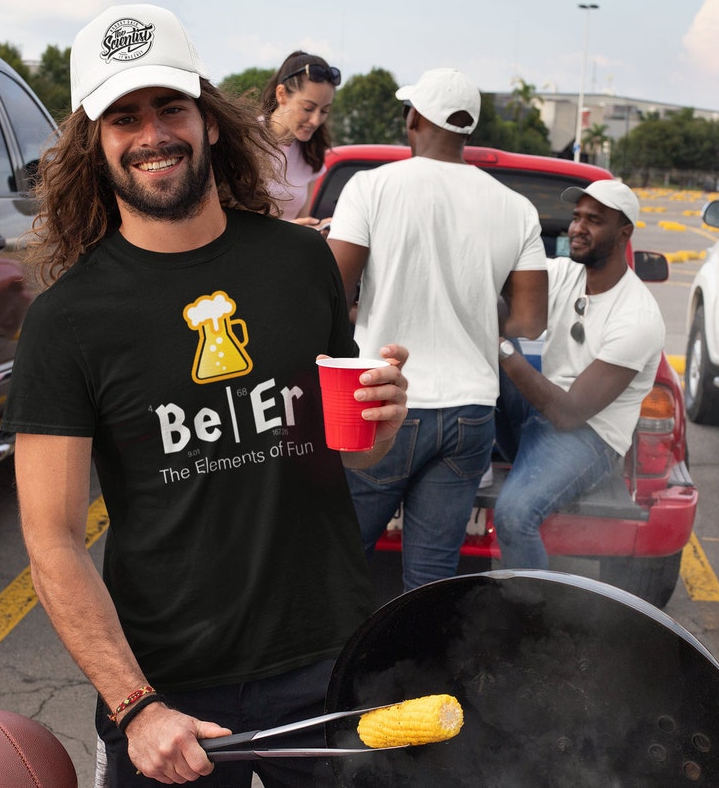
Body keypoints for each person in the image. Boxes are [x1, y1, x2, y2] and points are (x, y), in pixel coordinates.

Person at [1, 4, 408, 787]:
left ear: (209, 120)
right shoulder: (66, 321)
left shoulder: (301, 262)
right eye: (124, 117)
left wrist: (380, 424)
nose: (152, 133)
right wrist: (134, 706)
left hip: (324, 658)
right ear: (96, 145)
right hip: (168, 691)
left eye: (169, 107)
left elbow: (349, 453)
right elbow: (51, 538)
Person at [327, 68, 548, 592]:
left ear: (416, 119)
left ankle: (329, 670)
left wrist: (362, 314)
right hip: (472, 412)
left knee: (340, 557)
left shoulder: (372, 187)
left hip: (387, 405)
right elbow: (530, 321)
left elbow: (330, 291)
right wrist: (470, 310)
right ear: (466, 129)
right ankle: (418, 671)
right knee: (431, 578)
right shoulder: (516, 209)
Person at [493, 179, 665, 569]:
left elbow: (569, 413)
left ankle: (529, 620)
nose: (576, 228)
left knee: (514, 516)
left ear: (624, 233)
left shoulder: (637, 317)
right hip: (538, 416)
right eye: (575, 217)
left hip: (589, 437)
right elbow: (500, 287)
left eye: (593, 220)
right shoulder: (564, 274)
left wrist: (500, 346)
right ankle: (458, 456)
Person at [261, 51, 340, 229]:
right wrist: (287, 229)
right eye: (308, 108)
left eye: (324, 111)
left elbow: (301, 223)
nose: (316, 120)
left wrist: (317, 228)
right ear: (281, 94)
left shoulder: (312, 153)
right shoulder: (244, 140)